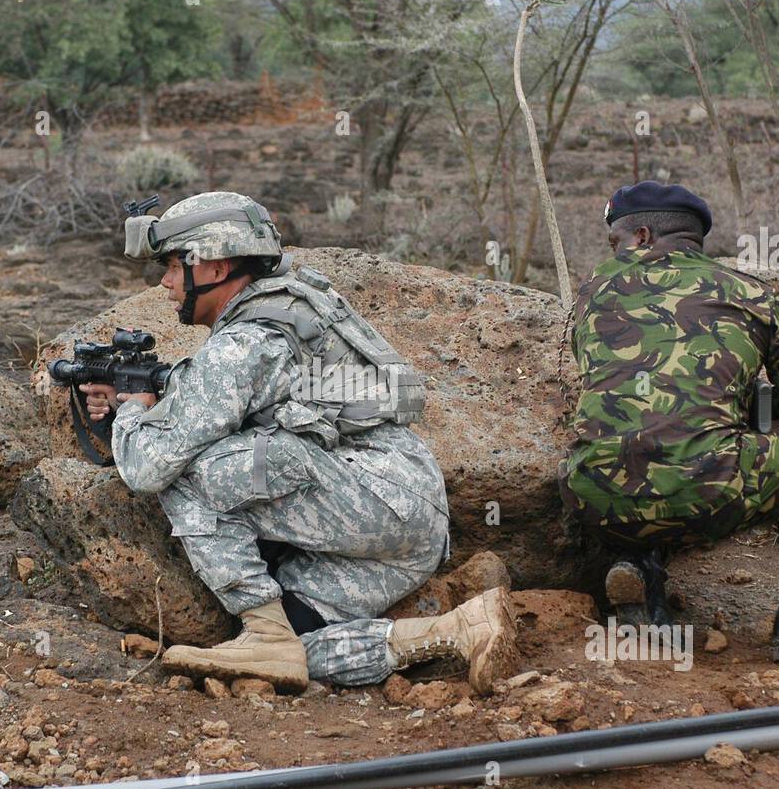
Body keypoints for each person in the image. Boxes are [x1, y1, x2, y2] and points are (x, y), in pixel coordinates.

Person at [81, 191, 519, 693]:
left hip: (373, 500)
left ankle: (261, 628)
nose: (164, 281)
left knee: (184, 472)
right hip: (404, 524)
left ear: (216, 267)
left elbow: (146, 467)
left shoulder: (243, 344)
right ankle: (456, 630)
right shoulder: (295, 302)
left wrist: (132, 411)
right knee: (295, 649)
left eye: (173, 266)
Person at [559, 180, 779, 662]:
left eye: (615, 241)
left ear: (640, 236)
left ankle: (643, 574)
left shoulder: (593, 290)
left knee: (642, 441)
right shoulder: (746, 292)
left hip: (591, 496)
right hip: (708, 488)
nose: (612, 252)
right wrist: (760, 407)